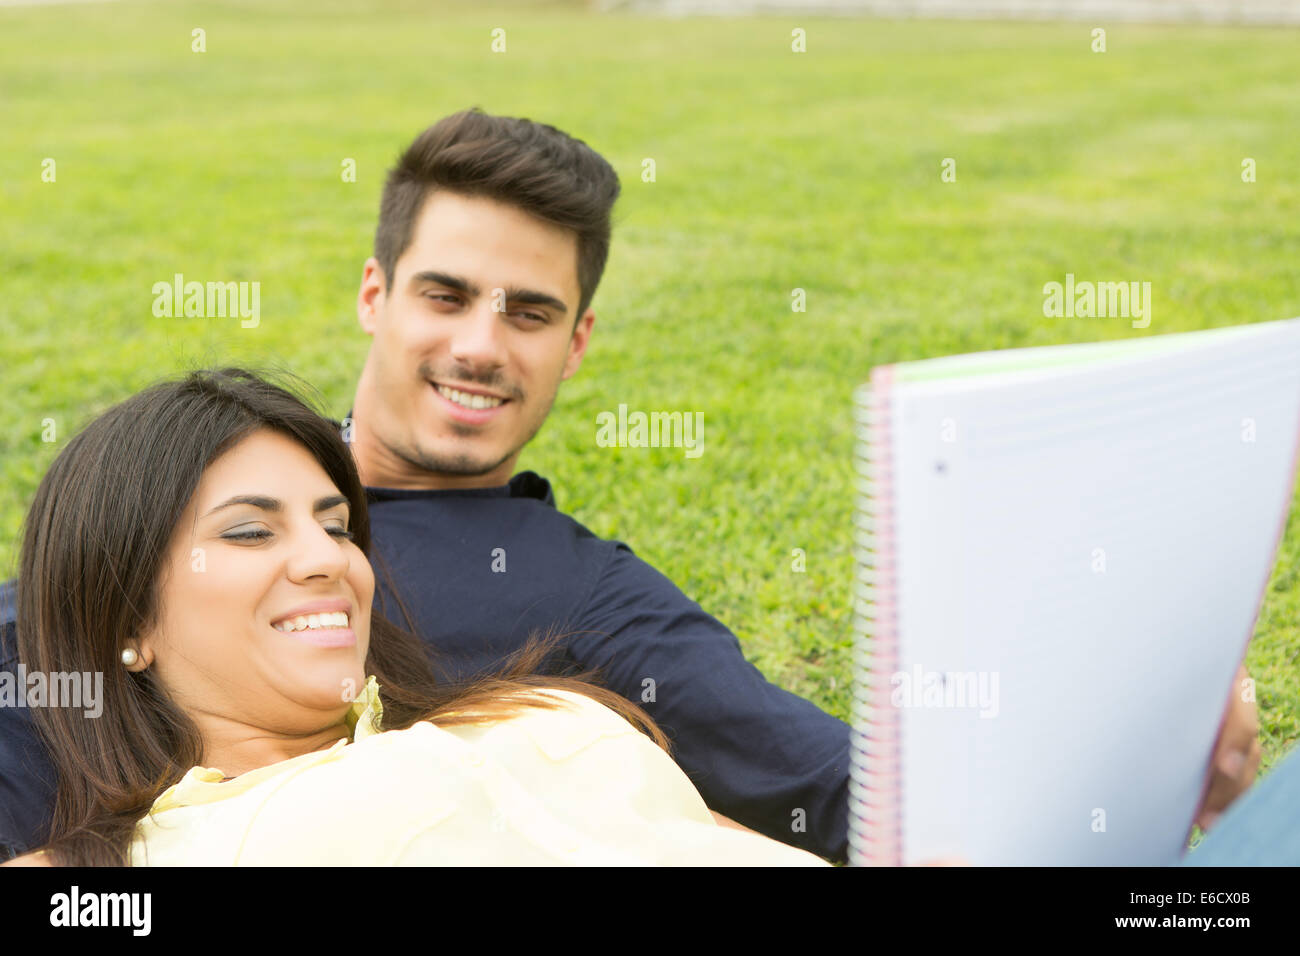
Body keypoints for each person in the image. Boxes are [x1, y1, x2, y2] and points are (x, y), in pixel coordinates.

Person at [0, 108, 1260, 862]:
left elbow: (842, 787)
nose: (482, 344)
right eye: (446, 294)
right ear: (377, 296)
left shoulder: (585, 610)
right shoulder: (156, 547)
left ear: (578, 341)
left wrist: (1122, 763)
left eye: (530, 311)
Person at [1, 368, 827, 866]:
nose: (328, 559)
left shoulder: (535, 712)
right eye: (249, 531)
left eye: (334, 525)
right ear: (126, 626)